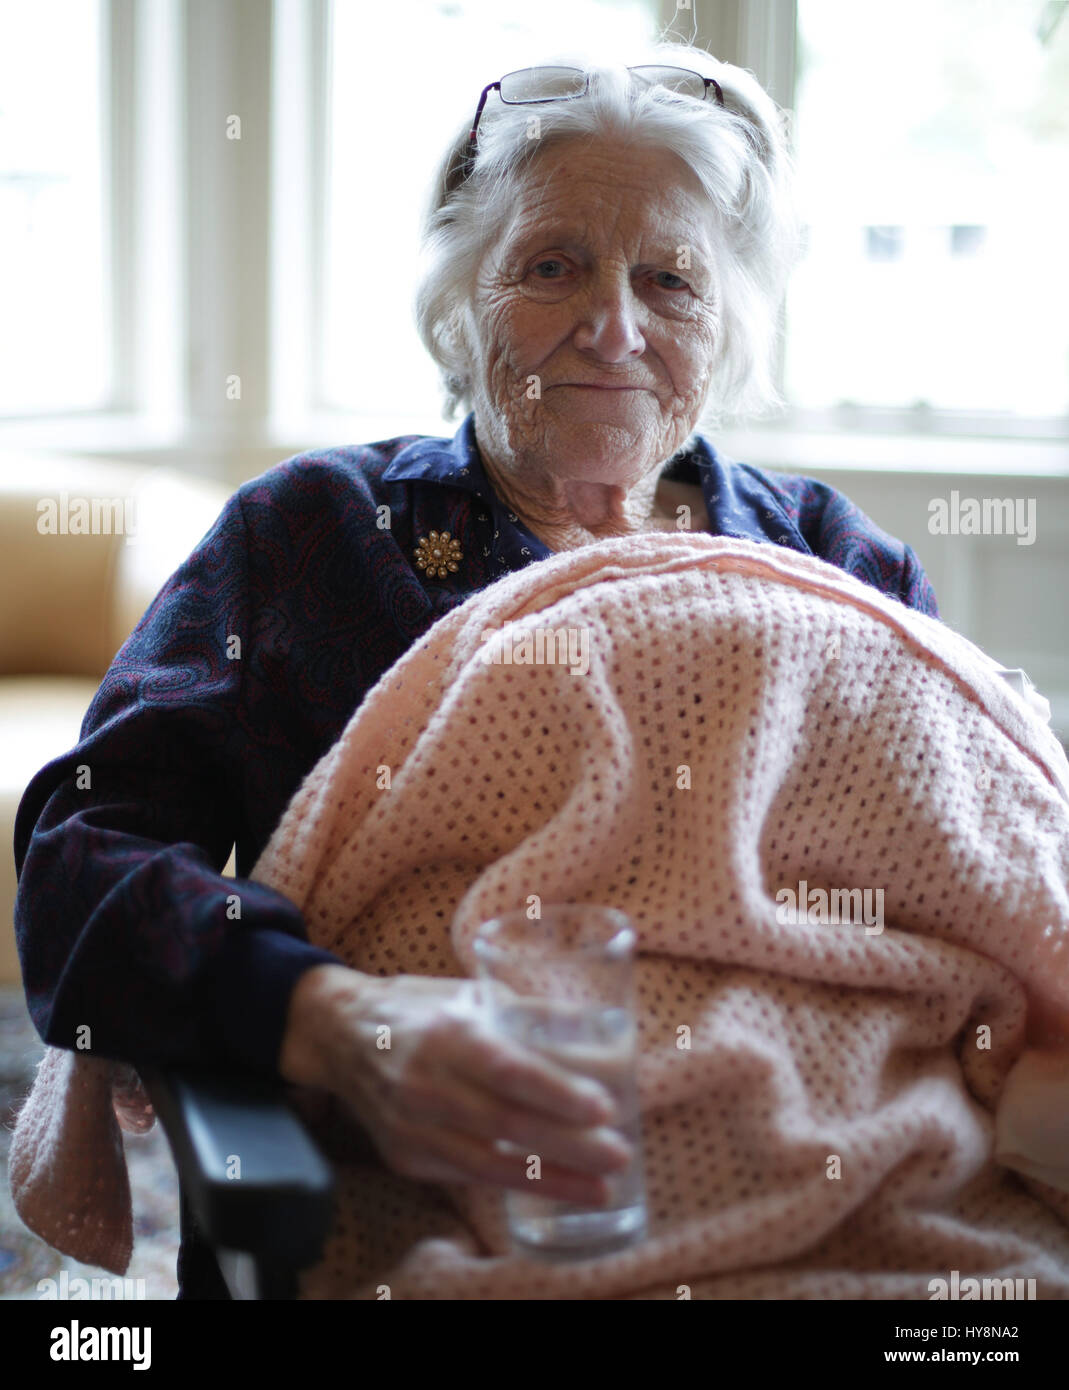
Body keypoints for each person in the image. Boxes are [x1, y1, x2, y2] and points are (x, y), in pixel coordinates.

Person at [13, 44, 938, 1298]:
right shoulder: (313, 535)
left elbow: (970, 887)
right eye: (552, 265)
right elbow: (82, 848)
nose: (614, 325)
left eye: (671, 279)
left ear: (733, 325)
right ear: (460, 303)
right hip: (438, 1199)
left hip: (829, 1202)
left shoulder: (831, 560)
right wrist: (329, 1023)